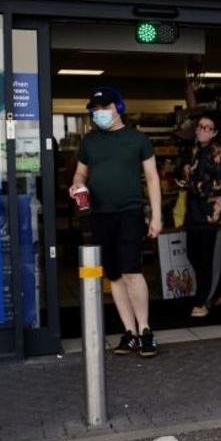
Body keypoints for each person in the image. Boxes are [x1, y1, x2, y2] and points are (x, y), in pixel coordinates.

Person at [69, 87, 163, 357]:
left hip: (130, 212)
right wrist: (77, 186)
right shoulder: (90, 141)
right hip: (100, 214)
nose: (99, 113)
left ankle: (145, 330)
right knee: (114, 275)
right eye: (94, 110)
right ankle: (129, 333)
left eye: (104, 107)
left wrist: (156, 216)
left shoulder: (138, 139)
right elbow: (80, 174)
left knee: (132, 271)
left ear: (118, 108)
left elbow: (153, 178)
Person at [177, 112, 221, 317]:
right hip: (194, 215)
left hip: (214, 217)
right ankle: (219, 286)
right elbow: (186, 173)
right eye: (200, 126)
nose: (202, 130)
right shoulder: (193, 151)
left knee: (208, 260)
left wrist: (192, 185)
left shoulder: (219, 153)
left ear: (215, 132)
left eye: (208, 127)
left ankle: (204, 302)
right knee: (193, 254)